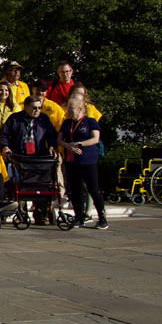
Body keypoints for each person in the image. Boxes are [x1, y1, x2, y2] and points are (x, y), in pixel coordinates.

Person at [57, 94, 108, 229]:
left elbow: (95, 139)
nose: (69, 111)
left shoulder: (90, 122)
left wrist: (80, 144)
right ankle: (79, 216)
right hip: (71, 161)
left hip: (87, 160)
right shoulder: (67, 122)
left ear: (80, 109)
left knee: (93, 189)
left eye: (72, 108)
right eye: (68, 108)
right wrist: (68, 146)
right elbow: (60, 139)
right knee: (75, 189)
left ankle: (102, 217)